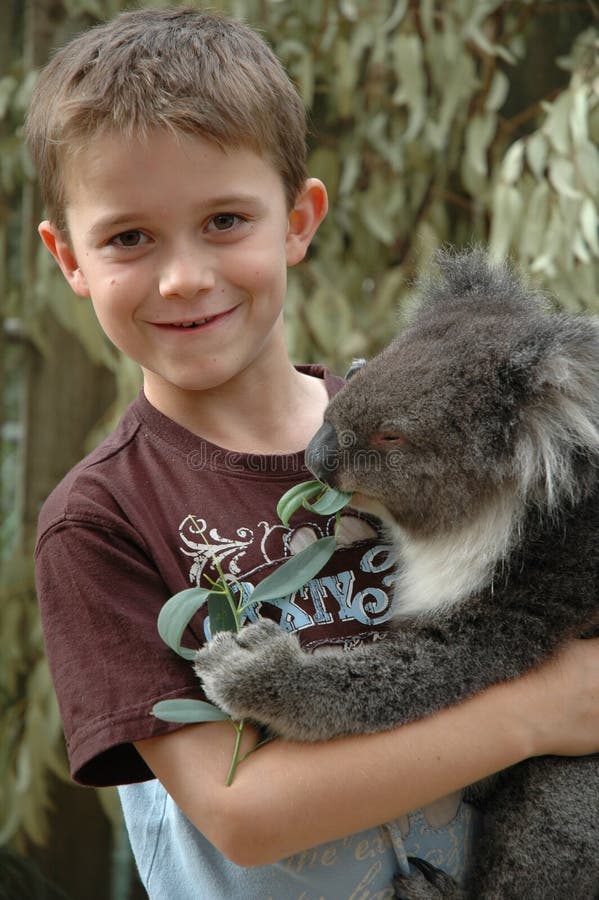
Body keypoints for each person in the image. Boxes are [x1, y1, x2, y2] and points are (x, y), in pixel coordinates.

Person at [29, 8, 599, 899]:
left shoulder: (444, 429)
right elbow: (243, 817)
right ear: (69, 258)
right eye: (128, 237)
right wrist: (540, 713)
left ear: (298, 221)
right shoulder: (101, 521)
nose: (184, 277)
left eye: (225, 220)